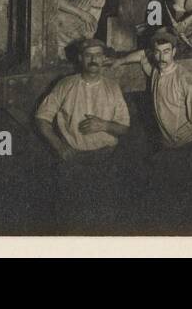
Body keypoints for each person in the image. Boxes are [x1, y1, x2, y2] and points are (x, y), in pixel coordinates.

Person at [34, 38, 130, 230]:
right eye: (88, 55)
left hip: (104, 160)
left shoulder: (112, 87)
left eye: (98, 55)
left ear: (104, 59)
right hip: (73, 161)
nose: (93, 59)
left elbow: (124, 128)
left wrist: (104, 125)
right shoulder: (65, 85)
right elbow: (41, 118)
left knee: (104, 219)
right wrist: (60, 146)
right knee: (70, 219)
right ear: (80, 58)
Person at [114, 28, 192, 171]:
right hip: (167, 144)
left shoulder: (186, 81)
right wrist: (120, 60)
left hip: (187, 145)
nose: (161, 57)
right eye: (157, 52)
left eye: (166, 52)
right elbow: (142, 55)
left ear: (174, 52)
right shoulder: (156, 71)